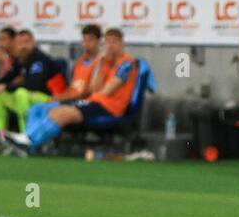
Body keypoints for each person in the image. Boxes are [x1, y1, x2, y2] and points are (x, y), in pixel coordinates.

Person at [10, 28, 144, 153]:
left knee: (62, 113)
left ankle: (29, 143)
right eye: (107, 42)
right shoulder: (104, 63)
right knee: (52, 111)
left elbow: (106, 91)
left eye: (114, 42)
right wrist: (101, 64)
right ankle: (28, 139)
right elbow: (95, 88)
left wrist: (91, 93)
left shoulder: (127, 63)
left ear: (121, 43)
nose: (110, 46)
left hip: (110, 107)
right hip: (96, 102)